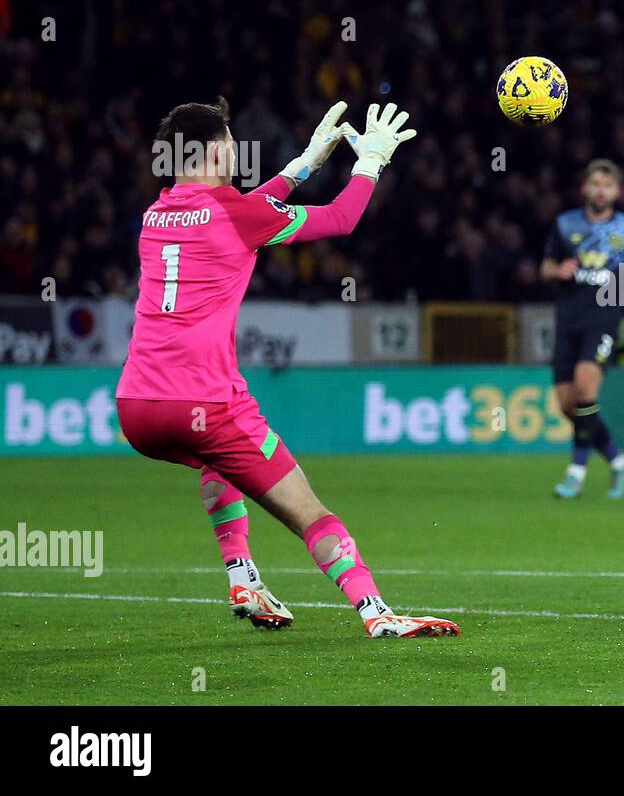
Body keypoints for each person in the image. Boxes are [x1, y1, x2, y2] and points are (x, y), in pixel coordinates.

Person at [116, 98, 461, 638]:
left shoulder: (156, 213)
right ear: (215, 149)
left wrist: (304, 164)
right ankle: (377, 612)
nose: (235, 148)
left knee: (215, 461)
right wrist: (369, 163)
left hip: (136, 407)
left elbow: (237, 213)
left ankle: (242, 574)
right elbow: (341, 220)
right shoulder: (239, 215)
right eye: (230, 139)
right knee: (310, 513)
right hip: (205, 399)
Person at [541, 159, 624, 499]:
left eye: (608, 185)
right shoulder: (565, 225)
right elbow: (544, 267)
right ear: (585, 189)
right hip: (568, 318)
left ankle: (575, 474)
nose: (601, 190)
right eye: (595, 184)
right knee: (568, 404)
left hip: (605, 317)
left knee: (585, 391)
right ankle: (619, 462)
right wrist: (556, 270)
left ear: (617, 192)